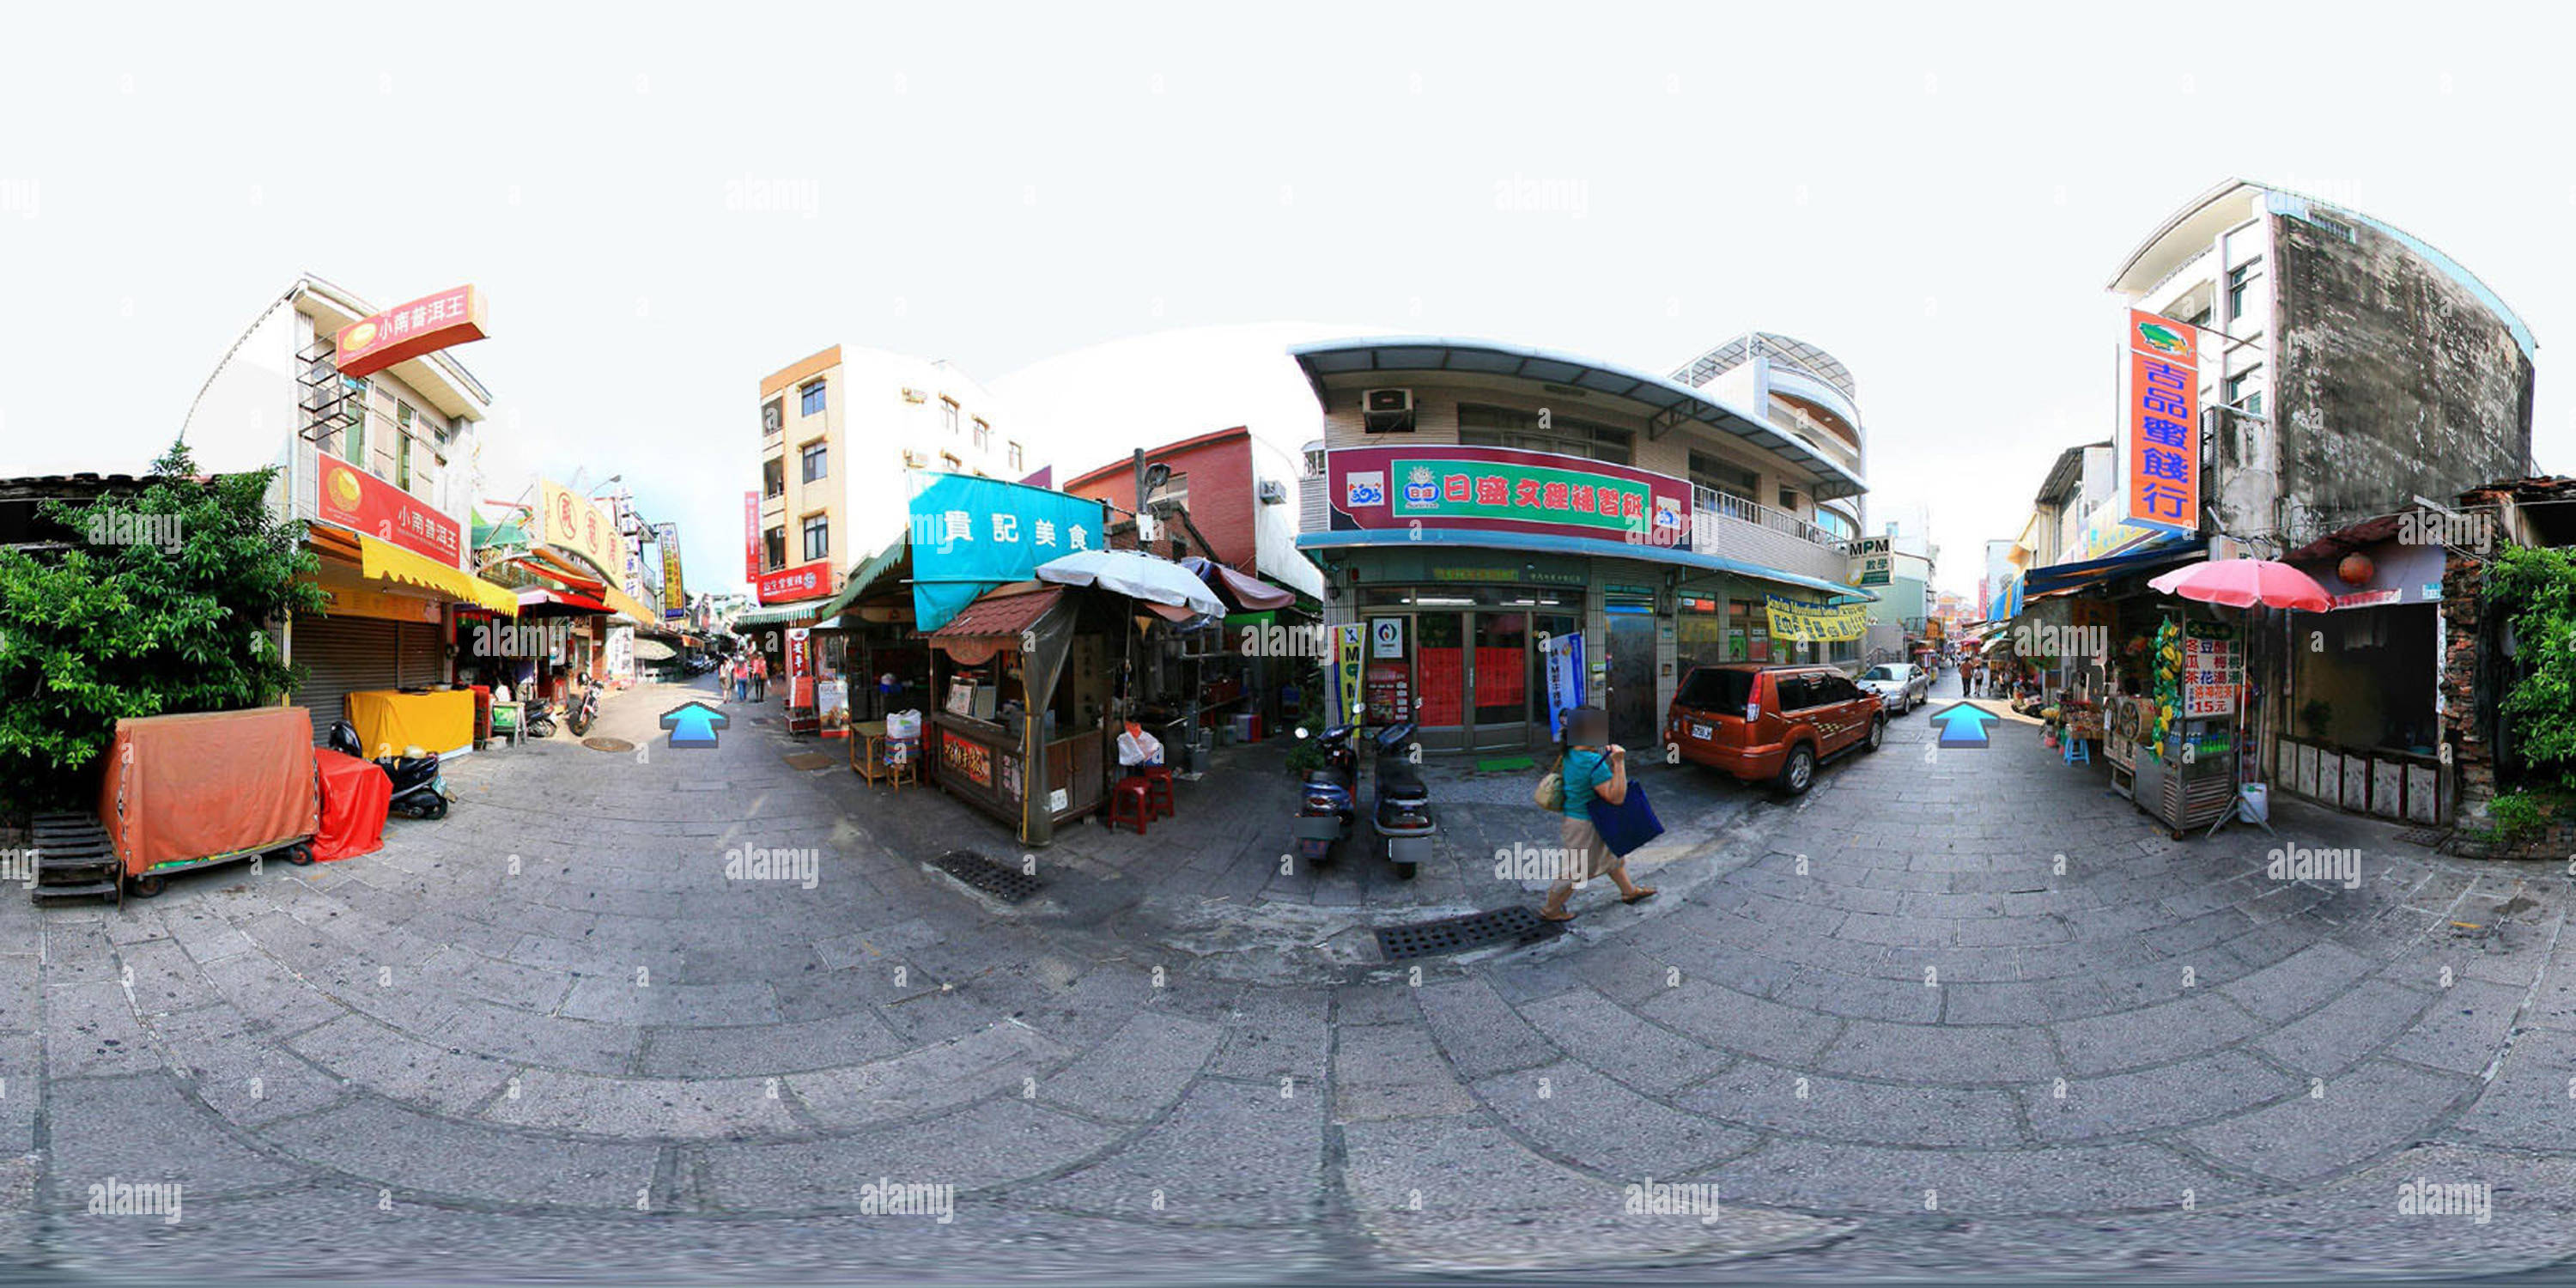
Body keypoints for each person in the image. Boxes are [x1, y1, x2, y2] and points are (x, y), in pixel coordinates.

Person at [1539, 706, 1656, 922]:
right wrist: (1619, 763)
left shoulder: (1571, 752)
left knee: (1612, 856)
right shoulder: (1592, 763)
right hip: (1585, 824)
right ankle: (1551, 910)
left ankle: (1629, 891)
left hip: (1578, 817)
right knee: (1575, 871)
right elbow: (1616, 797)